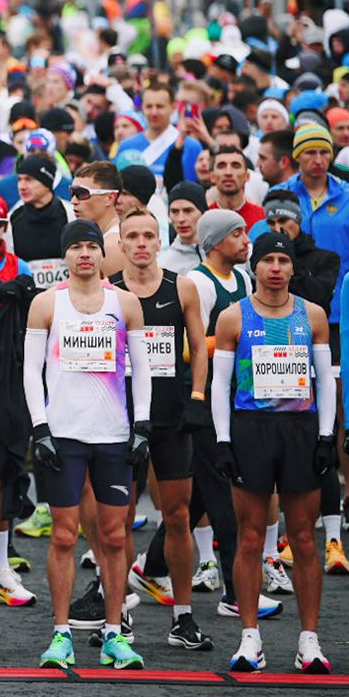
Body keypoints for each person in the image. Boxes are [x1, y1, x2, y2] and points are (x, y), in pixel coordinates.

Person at [24, 219, 151, 671]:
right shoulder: (46, 304)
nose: (83, 254)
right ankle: (61, 633)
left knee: (115, 537)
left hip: (114, 435)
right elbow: (31, 371)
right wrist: (40, 428)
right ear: (65, 255)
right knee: (62, 534)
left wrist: (142, 427)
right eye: (75, 246)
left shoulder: (127, 304)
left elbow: (143, 368)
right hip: (64, 435)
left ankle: (115, 633)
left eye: (91, 246)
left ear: (102, 253)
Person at [210, 232, 336, 674]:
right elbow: (219, 386)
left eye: (284, 260)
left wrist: (325, 438)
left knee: (303, 537)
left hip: (300, 430)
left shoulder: (312, 314)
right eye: (269, 260)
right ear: (255, 267)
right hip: (251, 429)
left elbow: (326, 379)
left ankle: (309, 642)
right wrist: (223, 441)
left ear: (292, 268)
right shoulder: (233, 317)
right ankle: (250, 639)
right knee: (249, 536)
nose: (277, 268)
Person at [111, 208, 213, 652]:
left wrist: (197, 397)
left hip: (171, 417)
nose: (139, 243)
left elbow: (199, 346)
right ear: (122, 243)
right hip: (121, 418)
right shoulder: (110, 291)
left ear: (159, 241)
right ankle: (118, 615)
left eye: (148, 235)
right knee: (120, 522)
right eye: (131, 236)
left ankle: (183, 617)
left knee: (177, 516)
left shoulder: (182, 286)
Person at [275, 122, 349, 312]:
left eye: (324, 152)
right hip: (290, 307)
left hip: (342, 306)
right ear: (297, 156)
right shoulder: (278, 196)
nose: (318, 160)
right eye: (310, 152)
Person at [10, 154, 71, 287]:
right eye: (19, 180)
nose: (22, 186)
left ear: (47, 182)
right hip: (28, 298)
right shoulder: (12, 219)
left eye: (29, 179)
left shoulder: (71, 214)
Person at [158, 183, 208, 274]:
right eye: (174, 212)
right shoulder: (163, 266)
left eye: (188, 211)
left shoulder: (222, 253)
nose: (181, 219)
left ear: (203, 212)